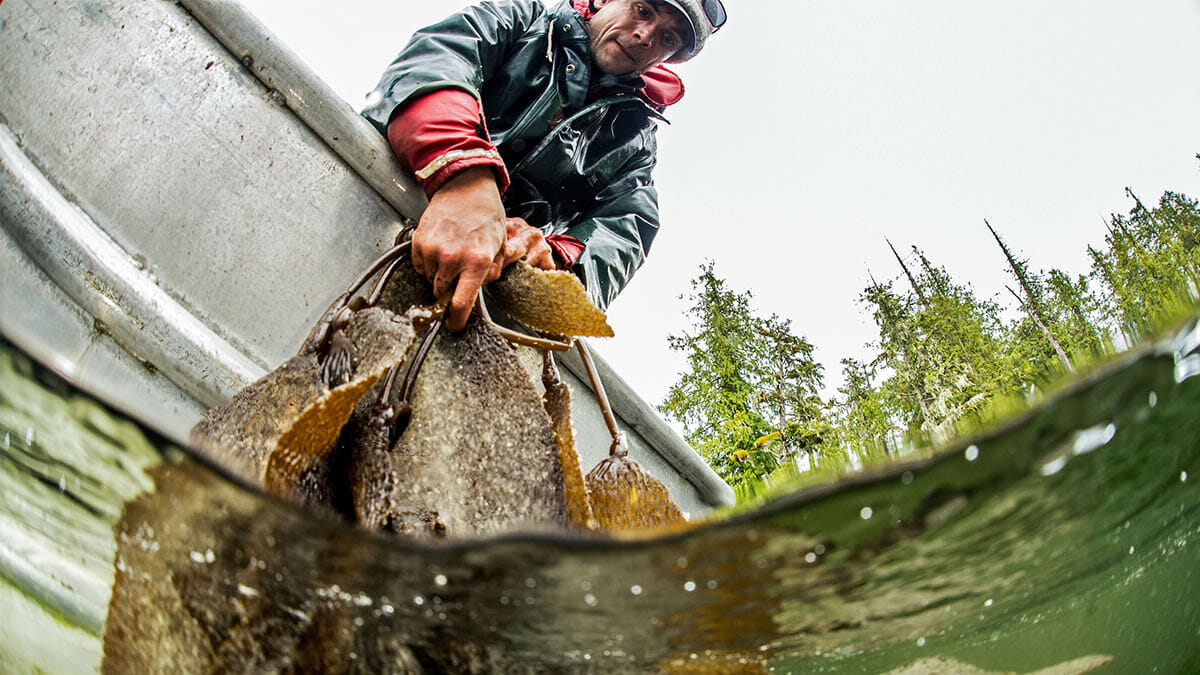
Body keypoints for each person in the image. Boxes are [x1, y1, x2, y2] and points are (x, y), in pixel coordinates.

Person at [363, 0, 726, 330]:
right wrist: (465, 180)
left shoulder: (636, 141)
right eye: (643, 10)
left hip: (480, 293)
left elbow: (628, 226)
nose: (645, 36)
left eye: (668, 38)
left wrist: (553, 257)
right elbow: (433, 66)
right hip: (374, 215)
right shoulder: (519, 19)